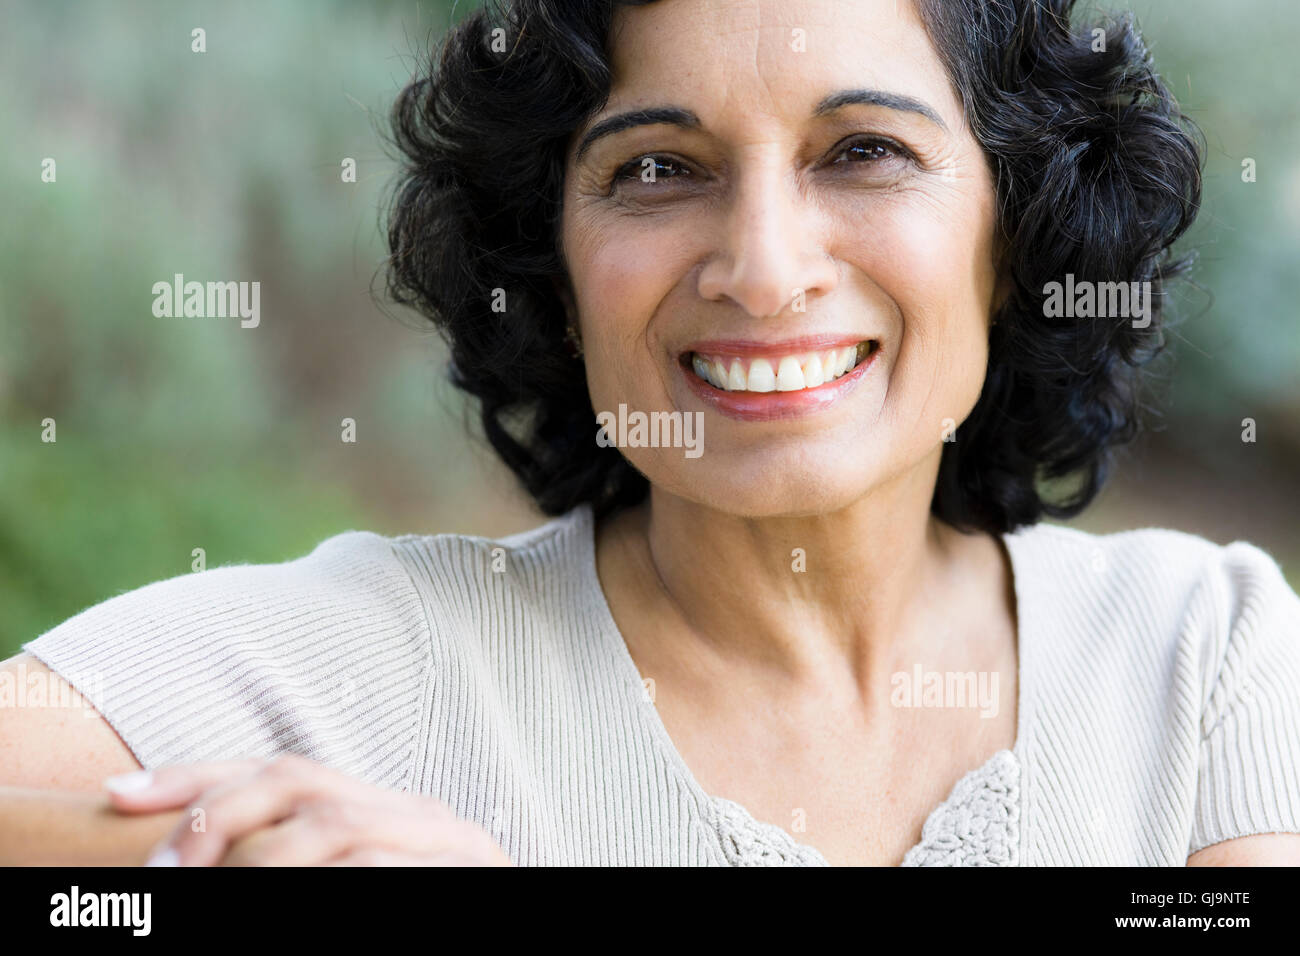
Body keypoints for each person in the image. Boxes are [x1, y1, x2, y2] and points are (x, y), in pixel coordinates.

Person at [3, 0, 1298, 866]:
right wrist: (181, 862)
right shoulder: (363, 665)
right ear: (557, 277)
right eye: (657, 171)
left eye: (862, 152)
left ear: (1015, 239)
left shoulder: (1202, 662)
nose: (763, 267)